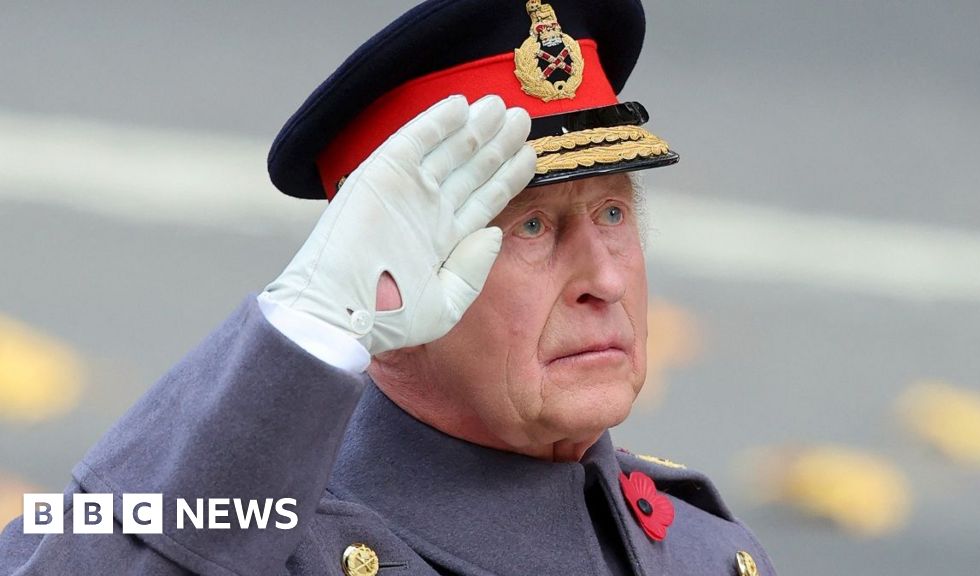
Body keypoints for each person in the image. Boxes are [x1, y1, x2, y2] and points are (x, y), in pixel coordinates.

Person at [0, 1, 775, 574]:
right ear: (393, 266)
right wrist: (306, 329)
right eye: (533, 226)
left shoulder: (705, 550)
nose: (605, 278)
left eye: (612, 211)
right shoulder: (267, 543)